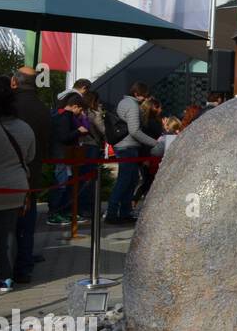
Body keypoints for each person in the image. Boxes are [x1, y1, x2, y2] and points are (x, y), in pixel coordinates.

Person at [0, 77, 36, 292]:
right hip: (16, 187)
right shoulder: (24, 127)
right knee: (8, 234)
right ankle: (6, 279)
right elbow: (30, 156)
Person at [10, 67, 51, 283]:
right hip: (31, 176)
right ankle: (23, 267)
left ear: (15, 82)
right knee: (26, 226)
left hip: (5, 177)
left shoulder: (9, 108)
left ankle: (6, 270)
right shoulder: (43, 108)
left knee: (5, 226)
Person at [105, 82, 157, 225]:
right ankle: (113, 213)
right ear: (137, 94)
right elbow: (134, 131)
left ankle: (122, 212)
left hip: (124, 146)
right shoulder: (133, 106)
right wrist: (154, 143)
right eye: (144, 95)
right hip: (127, 147)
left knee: (130, 180)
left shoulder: (124, 103)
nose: (145, 99)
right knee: (125, 181)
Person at [47, 93, 93, 226]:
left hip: (61, 155)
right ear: (75, 106)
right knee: (61, 185)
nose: (81, 112)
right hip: (62, 156)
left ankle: (62, 211)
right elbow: (64, 137)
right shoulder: (65, 117)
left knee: (64, 184)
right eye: (80, 109)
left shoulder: (57, 114)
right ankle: (55, 213)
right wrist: (79, 131)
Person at [133, 96, 165, 204]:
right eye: (157, 107)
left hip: (151, 153)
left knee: (148, 181)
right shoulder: (149, 122)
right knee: (147, 181)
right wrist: (145, 158)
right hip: (148, 154)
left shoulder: (149, 121)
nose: (160, 110)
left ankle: (137, 202)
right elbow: (146, 140)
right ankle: (135, 201)